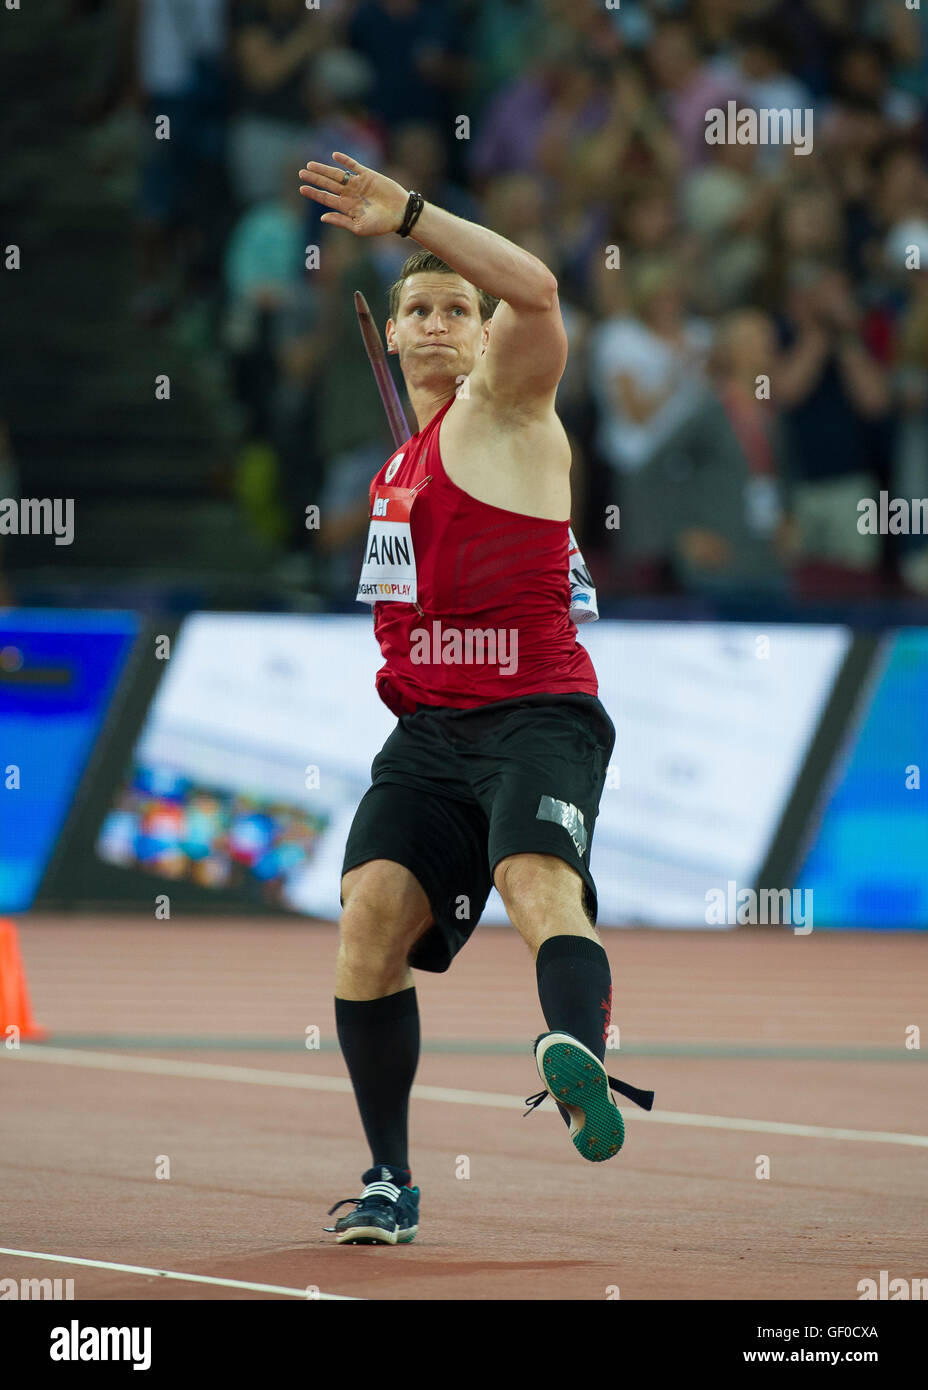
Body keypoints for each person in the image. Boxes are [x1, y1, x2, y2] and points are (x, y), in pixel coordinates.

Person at [297, 151, 654, 1245]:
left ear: (486, 338)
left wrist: (410, 218)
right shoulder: (393, 468)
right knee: (367, 923)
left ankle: (577, 1054)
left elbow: (540, 290)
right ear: (393, 336)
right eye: (424, 308)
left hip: (537, 712)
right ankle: (389, 1177)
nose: (445, 319)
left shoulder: (505, 407)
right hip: (429, 733)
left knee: (536, 877)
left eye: (462, 306)